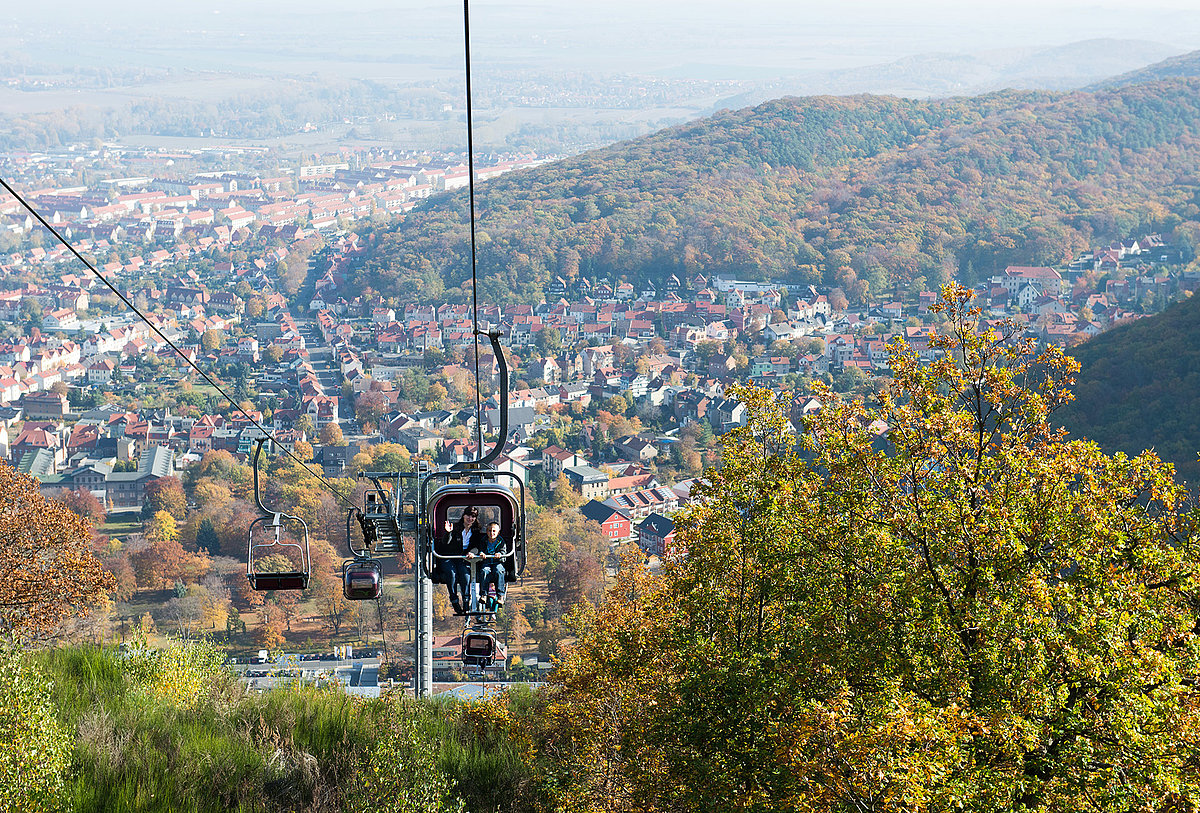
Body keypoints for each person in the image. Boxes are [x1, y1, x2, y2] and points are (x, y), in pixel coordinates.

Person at [441, 506, 479, 614]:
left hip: (463, 558)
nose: (470, 518)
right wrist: (448, 533)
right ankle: (454, 601)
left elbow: (477, 546)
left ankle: (466, 602)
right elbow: (445, 543)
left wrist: (472, 552)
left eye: (473, 517)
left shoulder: (475, 531)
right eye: (468, 515)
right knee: (452, 574)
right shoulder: (456, 528)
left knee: (465, 575)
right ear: (463, 516)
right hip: (450, 557)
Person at [468, 521, 508, 610]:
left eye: (494, 531)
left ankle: (500, 595)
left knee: (499, 571)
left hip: (497, 562)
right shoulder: (484, 540)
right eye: (489, 531)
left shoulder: (501, 542)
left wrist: (499, 555)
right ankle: (484, 594)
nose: (491, 533)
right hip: (487, 562)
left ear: (498, 532)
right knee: (484, 571)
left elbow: (503, 553)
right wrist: (482, 553)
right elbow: (481, 549)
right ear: (487, 532)